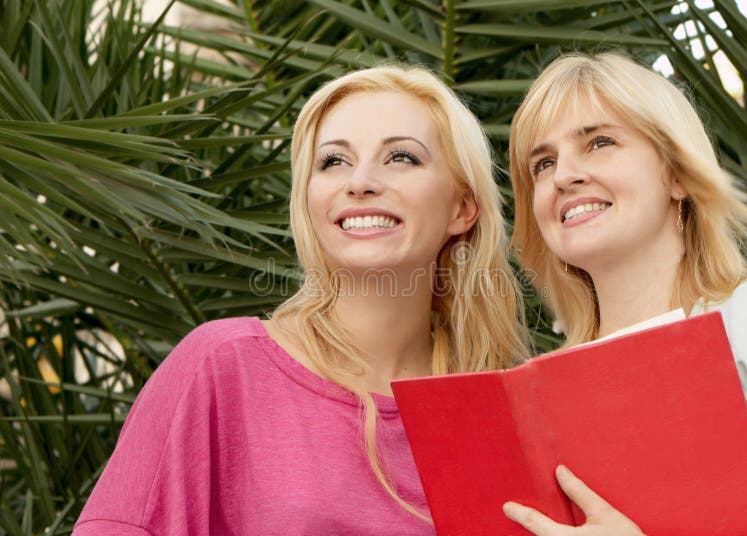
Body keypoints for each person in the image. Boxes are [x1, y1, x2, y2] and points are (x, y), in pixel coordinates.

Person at [73, 65, 530, 535]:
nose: (361, 181)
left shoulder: (501, 418)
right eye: (333, 162)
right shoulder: (223, 365)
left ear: (462, 208)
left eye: (401, 157)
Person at [504, 51, 747, 535]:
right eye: (542, 163)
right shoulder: (537, 395)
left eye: (599, 142)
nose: (563, 176)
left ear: (677, 174)